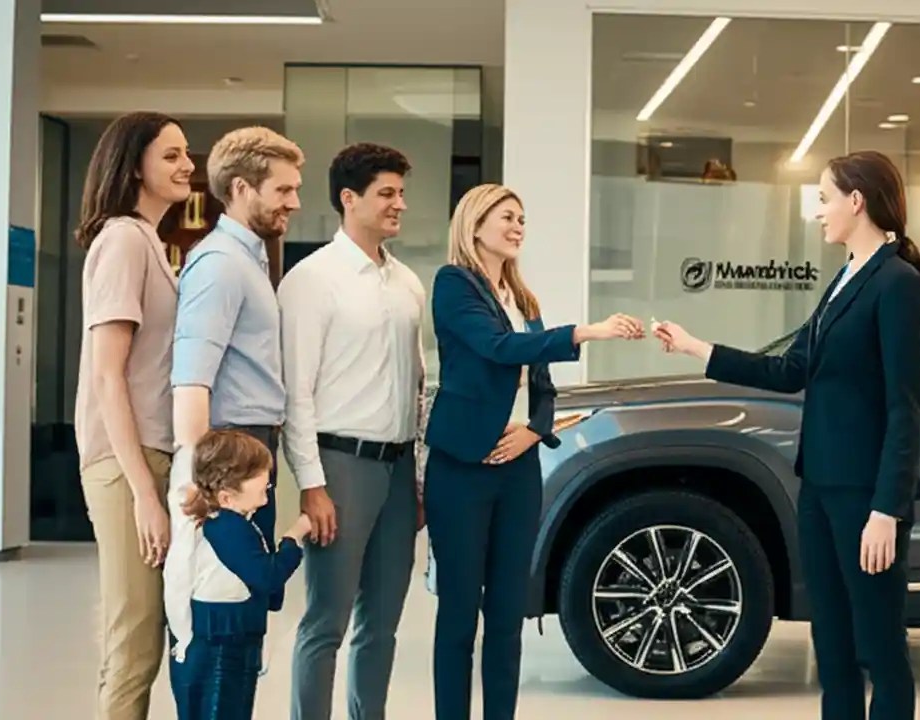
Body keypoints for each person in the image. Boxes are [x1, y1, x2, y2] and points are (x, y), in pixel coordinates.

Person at [655, 150, 920, 720]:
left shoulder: (898, 283)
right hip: (820, 490)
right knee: (831, 648)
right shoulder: (845, 279)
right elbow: (789, 370)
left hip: (865, 499)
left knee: (878, 648)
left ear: (857, 202)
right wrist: (696, 348)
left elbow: (906, 409)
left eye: (825, 198)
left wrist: (888, 509)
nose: (819, 212)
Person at [424, 184, 643, 720]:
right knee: (458, 615)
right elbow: (496, 349)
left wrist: (533, 430)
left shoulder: (524, 300)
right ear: (475, 225)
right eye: (507, 216)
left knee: (506, 613)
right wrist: (587, 332)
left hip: (517, 468)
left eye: (523, 218)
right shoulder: (454, 285)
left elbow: (542, 387)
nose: (519, 225)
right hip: (462, 468)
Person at [281, 143, 427, 719]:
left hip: (396, 470)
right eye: (387, 193)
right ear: (349, 198)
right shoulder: (312, 280)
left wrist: (416, 476)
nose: (400, 205)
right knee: (327, 621)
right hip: (339, 466)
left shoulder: (408, 283)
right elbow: (297, 394)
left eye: (400, 193)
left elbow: (417, 387)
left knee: (384, 623)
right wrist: (312, 485)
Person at [164, 126, 304, 693]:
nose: (294, 202)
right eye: (284, 190)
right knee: (219, 630)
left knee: (245, 619)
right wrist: (202, 492)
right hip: (226, 457)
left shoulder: (249, 260)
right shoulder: (220, 264)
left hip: (246, 455)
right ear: (243, 188)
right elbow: (191, 382)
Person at [74, 110, 194, 720]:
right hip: (128, 462)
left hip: (151, 456)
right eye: (170, 154)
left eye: (186, 153)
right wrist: (145, 493)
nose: (187, 165)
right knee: (134, 643)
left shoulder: (151, 241)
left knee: (147, 638)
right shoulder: (122, 239)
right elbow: (106, 373)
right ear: (134, 164)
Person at [170, 429, 312, 720]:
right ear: (227, 494)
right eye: (258, 475)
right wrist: (293, 538)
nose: (267, 481)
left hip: (230, 637)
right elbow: (266, 576)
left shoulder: (230, 523)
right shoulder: (227, 528)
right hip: (222, 643)